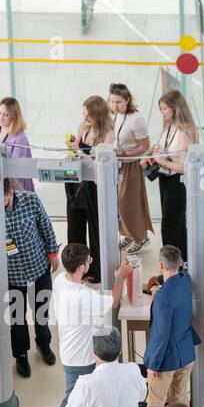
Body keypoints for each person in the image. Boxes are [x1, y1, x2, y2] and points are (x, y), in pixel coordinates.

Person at [0, 176, 59, 378]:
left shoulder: (31, 200)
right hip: (10, 275)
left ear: (10, 193)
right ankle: (21, 355)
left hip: (38, 268)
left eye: (1, 201)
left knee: (41, 313)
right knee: (17, 319)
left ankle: (43, 344)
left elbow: (46, 227)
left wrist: (53, 255)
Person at [50, 245, 133, 407]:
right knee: (71, 400)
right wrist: (120, 278)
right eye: (89, 260)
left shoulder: (61, 280)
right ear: (80, 268)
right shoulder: (82, 297)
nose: (91, 262)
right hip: (79, 358)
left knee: (79, 396)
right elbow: (114, 301)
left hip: (71, 349)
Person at [141, 245, 201, 407]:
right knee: (180, 398)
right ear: (181, 263)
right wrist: (159, 283)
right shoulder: (185, 280)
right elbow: (172, 279)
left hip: (166, 359)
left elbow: (160, 335)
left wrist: (153, 364)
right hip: (186, 352)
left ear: (160, 265)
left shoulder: (162, 298)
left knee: (155, 403)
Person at [142, 90, 197, 261]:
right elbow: (160, 145)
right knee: (171, 223)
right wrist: (151, 154)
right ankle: (174, 261)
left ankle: (175, 262)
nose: (162, 112)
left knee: (171, 225)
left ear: (175, 108)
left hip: (177, 181)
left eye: (165, 109)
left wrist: (162, 162)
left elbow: (184, 167)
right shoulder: (169, 125)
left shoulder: (185, 131)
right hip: (166, 179)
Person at [68, 96, 116, 283]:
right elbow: (78, 149)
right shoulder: (82, 127)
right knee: (75, 226)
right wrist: (73, 146)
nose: (85, 118)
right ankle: (76, 267)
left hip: (95, 187)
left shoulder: (108, 134)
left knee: (97, 229)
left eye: (88, 115)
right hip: (78, 183)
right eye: (84, 114)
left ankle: (96, 268)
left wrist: (83, 155)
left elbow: (102, 163)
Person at [109, 83, 153, 253]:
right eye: (112, 102)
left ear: (127, 100)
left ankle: (141, 237)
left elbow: (144, 146)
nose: (114, 106)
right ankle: (127, 233)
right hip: (117, 163)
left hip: (130, 165)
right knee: (118, 203)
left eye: (118, 102)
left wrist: (126, 155)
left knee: (130, 203)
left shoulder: (136, 120)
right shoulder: (115, 116)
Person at [0, 96, 34, 191]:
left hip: (12, 184)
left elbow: (16, 169)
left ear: (14, 116)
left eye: (6, 115)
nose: (0, 117)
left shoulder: (20, 138)